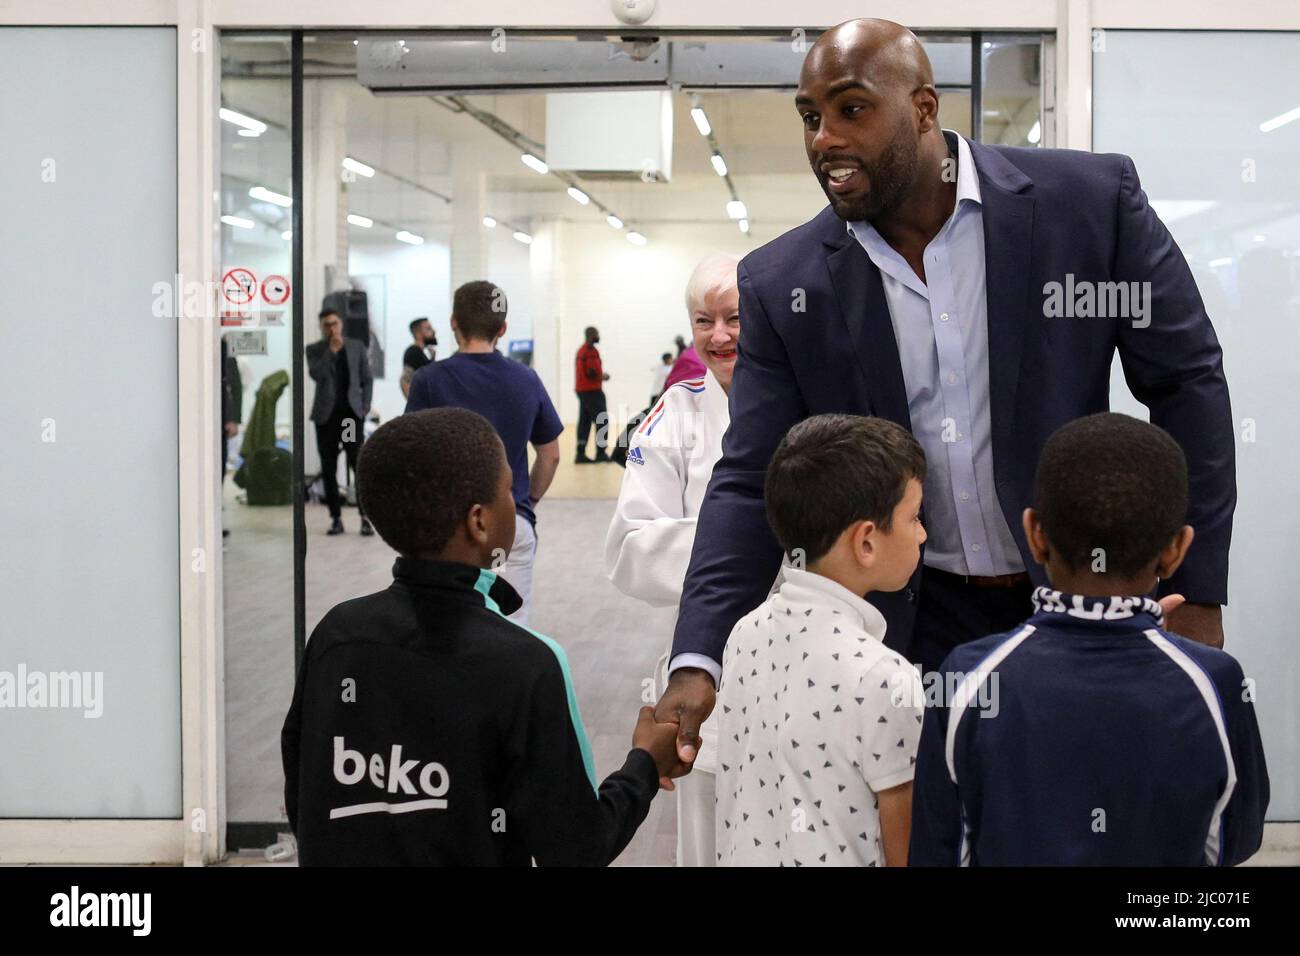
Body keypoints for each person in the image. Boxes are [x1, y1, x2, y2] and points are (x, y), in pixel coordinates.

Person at [656, 19, 1235, 777]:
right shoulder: (786, 280)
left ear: (924, 107)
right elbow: (747, 477)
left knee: (1075, 817)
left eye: (851, 108)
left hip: (1080, 595)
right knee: (927, 832)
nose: (824, 138)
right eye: (809, 116)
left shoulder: (1087, 205)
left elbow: (1186, 381)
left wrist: (1193, 585)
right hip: (909, 624)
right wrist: (697, 657)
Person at [281, 408, 684, 865]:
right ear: (479, 523)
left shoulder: (336, 635)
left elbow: (304, 792)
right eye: (508, 490)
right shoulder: (528, 664)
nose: (516, 500)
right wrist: (644, 764)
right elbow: (577, 848)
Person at [909, 413, 1269, 866]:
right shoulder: (1214, 681)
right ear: (1177, 549)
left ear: (1035, 535)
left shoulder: (967, 678)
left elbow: (938, 848)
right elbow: (1234, 838)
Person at [716, 414, 927, 867]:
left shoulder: (743, 634)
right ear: (866, 542)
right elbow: (906, 851)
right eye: (914, 517)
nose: (923, 533)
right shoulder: (886, 678)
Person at [605, 252, 740, 866]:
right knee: (707, 835)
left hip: (810, 664)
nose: (719, 335)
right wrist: (740, 543)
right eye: (703, 321)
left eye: (735, 318)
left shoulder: (810, 399)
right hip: (710, 663)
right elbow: (631, 548)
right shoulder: (673, 416)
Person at [406, 281, 561, 626]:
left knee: (447, 633)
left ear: (453, 323)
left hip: (446, 531)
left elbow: (411, 456)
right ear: (503, 329)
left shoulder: (428, 381)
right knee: (510, 635)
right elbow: (550, 456)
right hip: (509, 524)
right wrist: (526, 503)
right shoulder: (527, 379)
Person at [306, 308, 373, 536]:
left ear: (341, 324)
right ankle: (336, 518)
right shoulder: (315, 349)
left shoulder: (356, 347)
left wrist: (364, 407)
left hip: (349, 417)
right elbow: (316, 374)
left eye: (334, 323)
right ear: (321, 327)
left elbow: (367, 379)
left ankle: (365, 517)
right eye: (326, 325)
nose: (331, 328)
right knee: (329, 468)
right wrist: (332, 352)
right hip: (326, 418)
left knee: (357, 463)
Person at [574, 325, 611, 464]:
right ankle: (601, 453)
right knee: (602, 420)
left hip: (582, 390)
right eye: (596, 334)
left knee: (584, 422)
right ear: (591, 335)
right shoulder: (590, 351)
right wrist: (603, 376)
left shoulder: (581, 350)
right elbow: (591, 372)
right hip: (592, 390)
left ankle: (580, 453)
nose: (598, 336)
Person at [400, 317, 437, 399]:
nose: (433, 332)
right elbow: (405, 381)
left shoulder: (423, 353)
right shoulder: (413, 353)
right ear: (418, 333)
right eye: (428, 329)